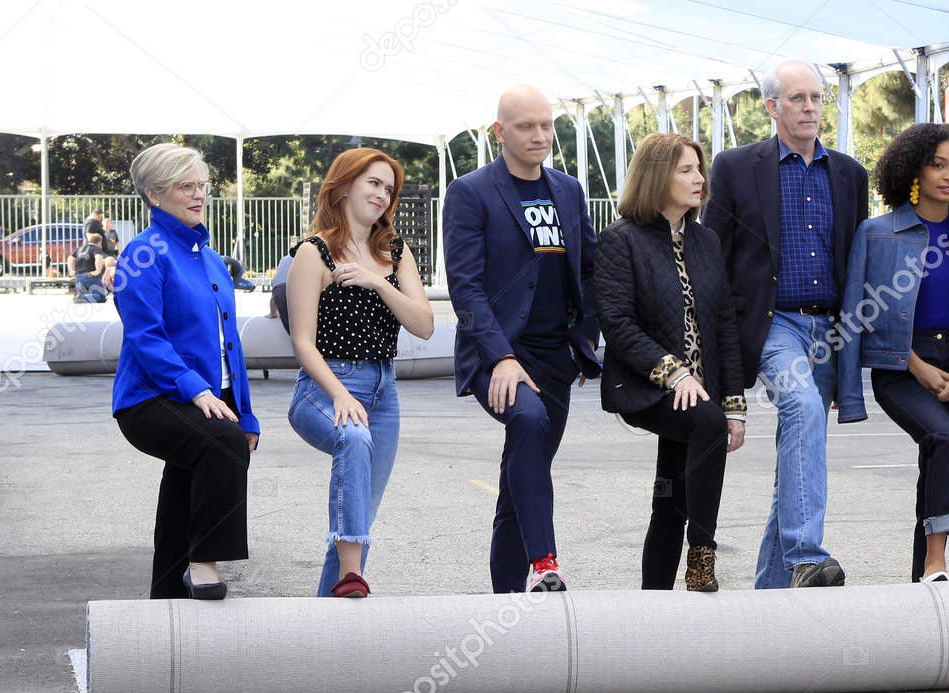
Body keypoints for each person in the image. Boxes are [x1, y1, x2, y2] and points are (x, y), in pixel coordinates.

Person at [703, 60, 868, 588]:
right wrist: (716, 351)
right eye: (798, 98)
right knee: (802, 407)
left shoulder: (849, 175)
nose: (810, 107)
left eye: (817, 98)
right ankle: (805, 556)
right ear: (772, 106)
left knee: (799, 453)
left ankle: (771, 594)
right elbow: (711, 258)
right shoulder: (735, 168)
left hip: (830, 330)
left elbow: (856, 262)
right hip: (772, 325)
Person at [444, 84, 601, 593]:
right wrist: (502, 357)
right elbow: (466, 287)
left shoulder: (569, 190)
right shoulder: (470, 192)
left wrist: (584, 342)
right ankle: (544, 562)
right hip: (498, 353)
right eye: (525, 126)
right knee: (528, 420)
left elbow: (590, 271)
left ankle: (506, 604)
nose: (539, 135)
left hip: (556, 356)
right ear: (500, 132)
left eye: (546, 125)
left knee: (520, 477)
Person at [836, 123, 949, 582]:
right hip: (900, 367)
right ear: (914, 170)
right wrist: (918, 368)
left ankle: (923, 582)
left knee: (937, 464)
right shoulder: (876, 233)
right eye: (938, 165)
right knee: (948, 441)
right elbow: (858, 310)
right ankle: (937, 560)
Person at [595, 134, 747, 591]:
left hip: (699, 389)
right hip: (646, 386)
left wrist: (735, 404)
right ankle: (702, 555)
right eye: (686, 170)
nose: (699, 178)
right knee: (706, 422)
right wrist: (674, 374)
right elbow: (617, 323)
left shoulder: (706, 241)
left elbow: (723, 325)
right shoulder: (620, 239)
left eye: (699, 168)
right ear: (656, 177)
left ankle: (653, 603)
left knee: (670, 501)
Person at [111, 144, 258, 600]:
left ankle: (167, 596)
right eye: (185, 186)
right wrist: (196, 391)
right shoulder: (143, 252)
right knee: (223, 443)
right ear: (154, 195)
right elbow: (146, 336)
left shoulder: (212, 260)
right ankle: (204, 563)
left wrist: (245, 412)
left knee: (186, 483)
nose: (198, 195)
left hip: (206, 398)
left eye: (202, 185)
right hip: (150, 399)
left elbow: (230, 345)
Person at [286, 149, 433, 598]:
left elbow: (424, 325)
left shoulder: (396, 252)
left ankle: (332, 615)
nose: (382, 194)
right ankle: (353, 577)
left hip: (384, 392)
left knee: (359, 515)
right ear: (345, 185)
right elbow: (302, 344)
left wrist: (376, 282)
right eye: (373, 183)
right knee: (352, 439)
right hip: (325, 387)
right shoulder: (313, 253)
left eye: (389, 189)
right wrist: (340, 395)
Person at [71, 232, 109, 302]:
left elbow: (71, 258)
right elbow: (98, 257)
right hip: (91, 276)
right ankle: (81, 297)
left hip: (78, 277)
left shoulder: (80, 248)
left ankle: (80, 296)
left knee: (84, 291)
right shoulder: (96, 248)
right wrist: (98, 270)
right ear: (99, 242)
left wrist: (72, 270)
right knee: (101, 297)